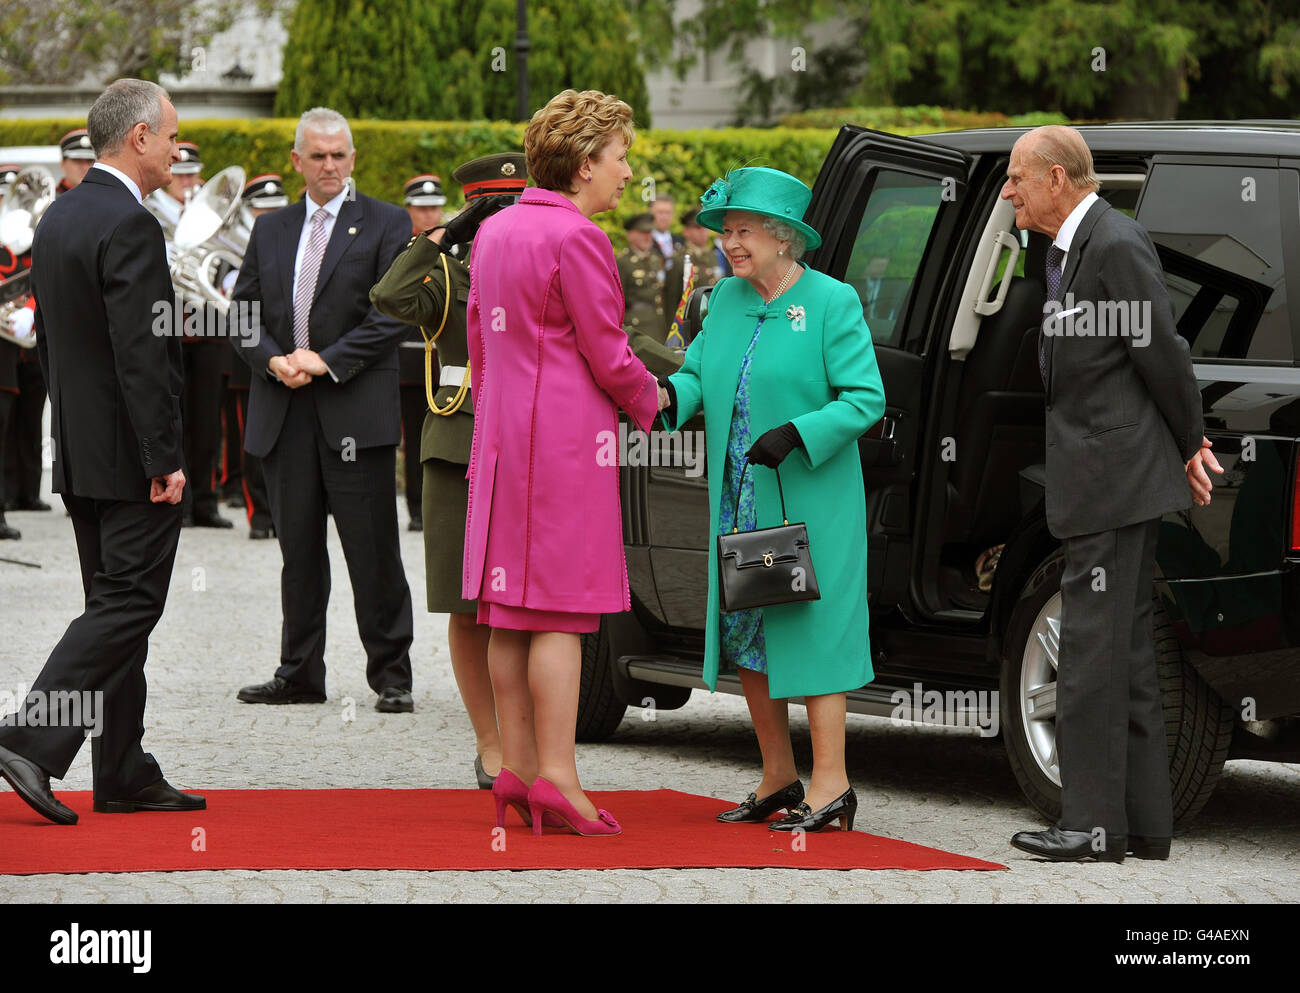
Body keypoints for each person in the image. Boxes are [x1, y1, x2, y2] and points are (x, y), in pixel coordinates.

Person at [1003, 126, 1220, 863]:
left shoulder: (1116, 241)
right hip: (1106, 477)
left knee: (1092, 653)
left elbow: (1162, 350)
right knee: (1122, 655)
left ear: (1056, 179)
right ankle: (1139, 826)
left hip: (1112, 480)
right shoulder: (1068, 246)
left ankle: (1089, 825)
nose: (1009, 192)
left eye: (1016, 179)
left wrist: (1192, 441)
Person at [0, 78, 204, 824]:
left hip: (84, 452)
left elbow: (50, 343)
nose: (179, 147)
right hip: (131, 461)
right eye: (173, 133)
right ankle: (29, 737)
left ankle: (121, 767)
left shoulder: (59, 216)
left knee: (114, 606)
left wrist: (69, 437)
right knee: (128, 603)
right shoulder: (131, 224)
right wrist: (164, 459)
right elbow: (143, 355)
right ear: (140, 137)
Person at [659, 167, 886, 833]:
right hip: (740, 500)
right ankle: (778, 774)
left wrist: (798, 432)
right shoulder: (727, 300)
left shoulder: (830, 301)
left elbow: (865, 398)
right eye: (726, 230)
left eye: (744, 230)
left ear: (784, 238)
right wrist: (661, 398)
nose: (730, 242)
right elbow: (696, 373)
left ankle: (833, 782)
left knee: (811, 633)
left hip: (807, 503)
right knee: (749, 633)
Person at [464, 89, 662, 836]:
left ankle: (514, 768)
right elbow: (609, 352)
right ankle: (558, 778)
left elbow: (482, 348)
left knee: (510, 611)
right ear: (585, 164)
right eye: (620, 159)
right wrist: (658, 401)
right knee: (560, 615)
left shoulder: (496, 229)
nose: (625, 175)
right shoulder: (580, 238)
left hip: (505, 437)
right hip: (564, 443)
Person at [229, 107, 416, 714]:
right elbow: (241, 311)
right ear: (297, 161)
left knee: (373, 551)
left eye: (340, 155)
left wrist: (324, 360)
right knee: (298, 553)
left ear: (353, 158)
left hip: (354, 413)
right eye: (318, 156)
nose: (330, 165)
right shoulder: (271, 228)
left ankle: (391, 675)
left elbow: (390, 315)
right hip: (285, 413)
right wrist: (270, 360)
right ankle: (300, 672)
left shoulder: (388, 223)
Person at [371, 152, 528, 788]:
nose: (503, 219)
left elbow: (612, 332)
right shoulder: (444, 273)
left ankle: (532, 741)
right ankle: (491, 745)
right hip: (457, 446)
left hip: (526, 445)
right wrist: (443, 236)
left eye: (513, 205)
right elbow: (388, 296)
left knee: (524, 606)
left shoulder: (548, 259)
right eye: (492, 207)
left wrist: (680, 371)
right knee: (467, 608)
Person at [166, 140, 231, 529]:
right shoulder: (152, 214)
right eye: (179, 174)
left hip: (209, 328)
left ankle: (207, 501)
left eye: (192, 174)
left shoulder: (214, 215)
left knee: (208, 419)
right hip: (169, 325)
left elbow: (226, 263)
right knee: (174, 417)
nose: (187, 181)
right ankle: (182, 502)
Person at [220, 173, 287, 539]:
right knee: (254, 437)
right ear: (248, 210)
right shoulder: (230, 244)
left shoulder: (292, 240)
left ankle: (283, 510)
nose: (268, 214)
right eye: (261, 208)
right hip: (249, 353)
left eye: (274, 208)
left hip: (287, 349)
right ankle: (259, 513)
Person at [396, 173, 449, 531]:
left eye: (434, 208)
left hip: (446, 362)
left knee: (446, 439)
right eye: (421, 208)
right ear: (409, 210)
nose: (429, 215)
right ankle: (416, 508)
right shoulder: (398, 248)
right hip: (410, 359)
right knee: (413, 437)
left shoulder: (454, 247)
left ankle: (442, 507)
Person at [616, 211, 667, 341]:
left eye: (650, 233)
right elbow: (618, 302)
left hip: (659, 323)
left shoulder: (656, 259)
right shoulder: (623, 262)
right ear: (630, 235)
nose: (648, 237)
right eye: (643, 233)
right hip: (637, 327)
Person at [650, 193, 682, 263]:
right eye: (660, 212)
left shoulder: (681, 241)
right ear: (651, 214)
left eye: (668, 213)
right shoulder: (645, 241)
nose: (664, 217)